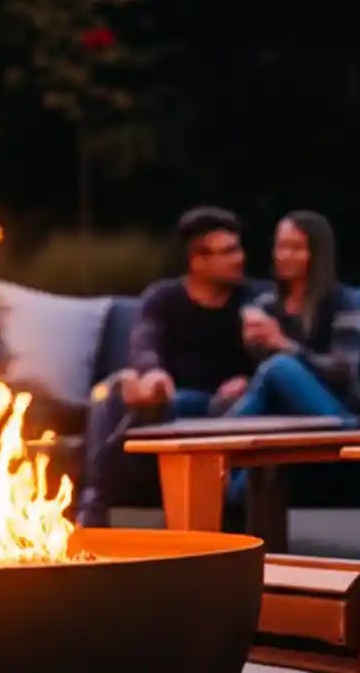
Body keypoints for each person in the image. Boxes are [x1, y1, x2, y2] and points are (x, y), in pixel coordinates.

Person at [77, 206, 258, 528]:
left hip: (220, 406)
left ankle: (99, 494)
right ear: (198, 260)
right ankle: (96, 505)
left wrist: (250, 379)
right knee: (114, 389)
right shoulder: (163, 298)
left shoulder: (252, 301)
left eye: (238, 248)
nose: (239, 258)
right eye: (228, 251)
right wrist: (153, 374)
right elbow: (145, 342)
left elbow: (270, 365)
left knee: (173, 404)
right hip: (166, 399)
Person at [229, 211, 360, 422]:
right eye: (281, 246)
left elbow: (343, 370)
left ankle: (219, 435)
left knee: (281, 366)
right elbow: (263, 374)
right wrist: (253, 350)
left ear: (317, 254)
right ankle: (219, 434)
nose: (285, 255)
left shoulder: (342, 302)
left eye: (296, 248)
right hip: (283, 410)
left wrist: (282, 344)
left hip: (339, 410)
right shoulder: (266, 304)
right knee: (230, 395)